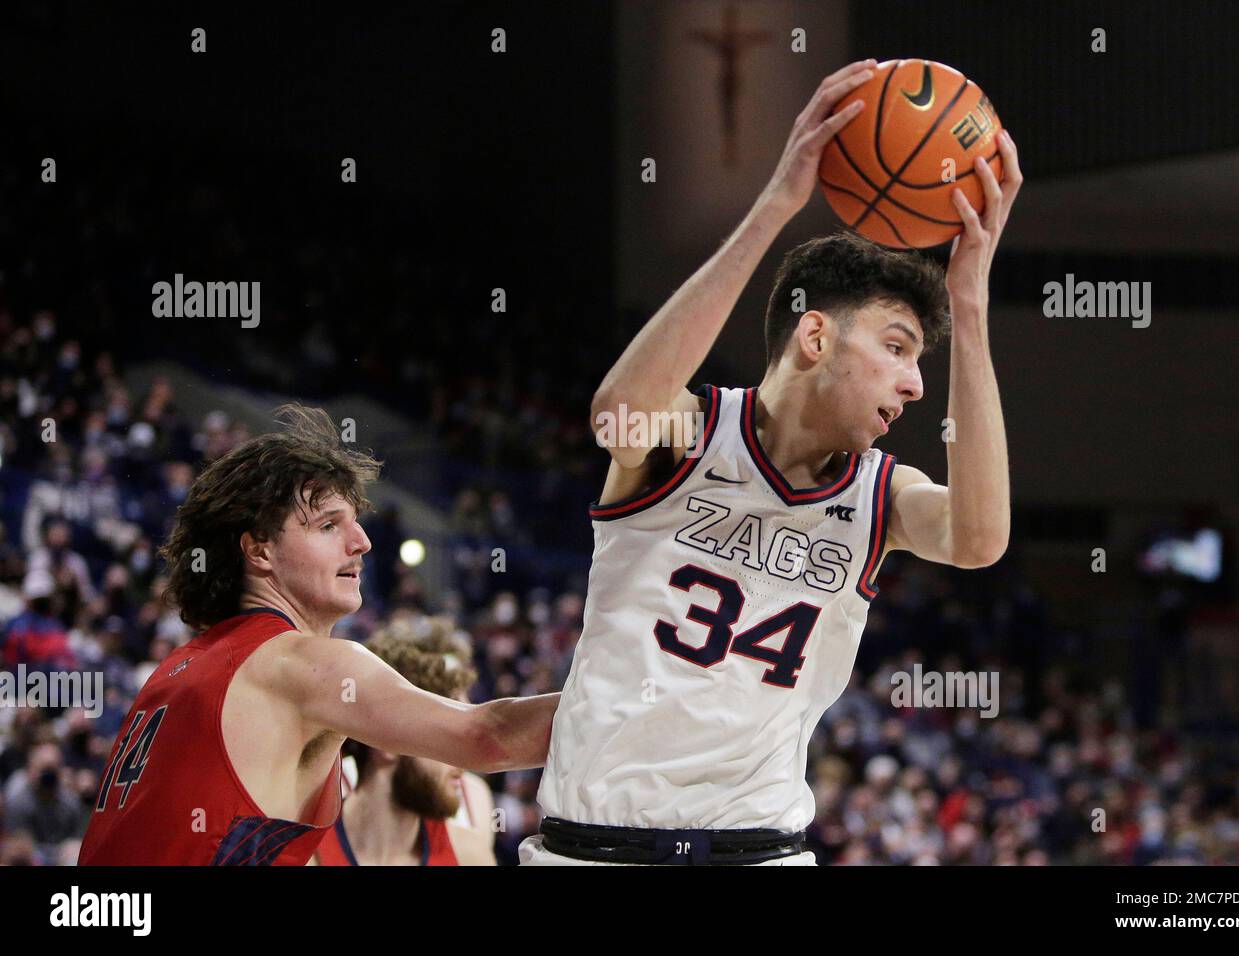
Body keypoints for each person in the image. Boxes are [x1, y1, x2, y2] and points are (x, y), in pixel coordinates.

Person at [523, 59, 1023, 865]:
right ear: (816, 336)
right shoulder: (691, 433)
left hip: (760, 850)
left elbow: (979, 539)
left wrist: (969, 308)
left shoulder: (882, 496)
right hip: (594, 846)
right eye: (897, 348)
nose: (916, 383)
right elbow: (620, 411)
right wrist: (775, 206)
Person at [78, 405, 557, 865]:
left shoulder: (175, 668)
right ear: (260, 550)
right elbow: (489, 737)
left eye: (355, 523)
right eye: (329, 525)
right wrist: (621, 699)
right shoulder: (300, 666)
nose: (362, 543)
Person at [314, 614, 497, 865]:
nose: (462, 762)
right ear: (387, 742)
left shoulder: (470, 853)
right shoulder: (306, 848)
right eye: (448, 740)